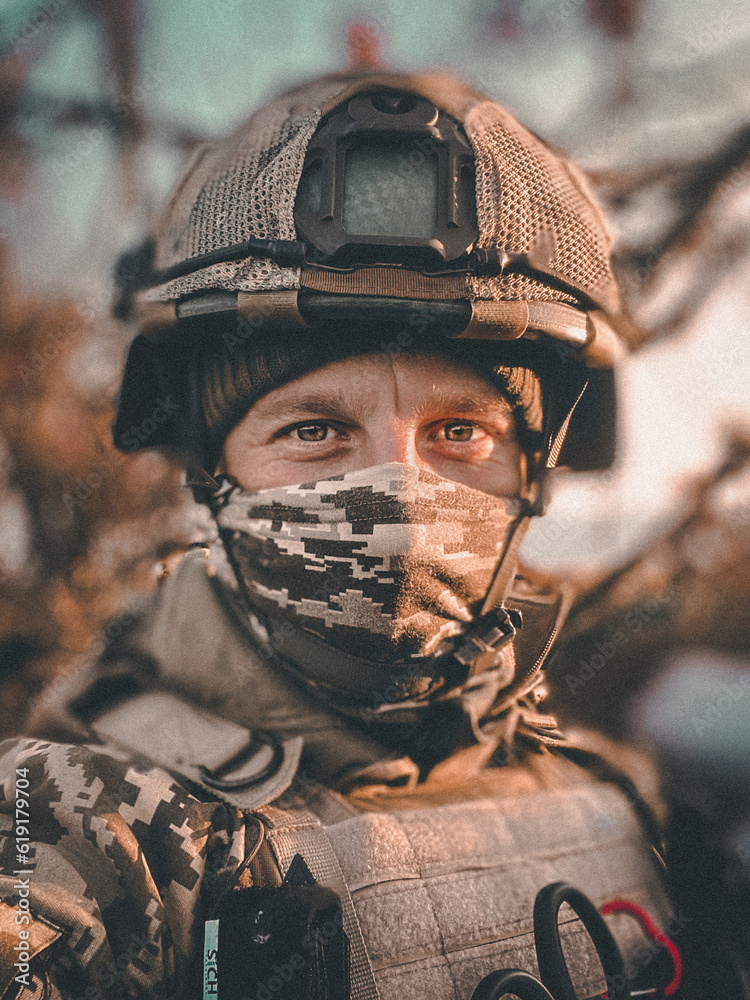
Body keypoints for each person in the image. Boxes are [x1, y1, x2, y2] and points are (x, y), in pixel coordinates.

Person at [0, 69, 682, 1000]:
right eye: (313, 430)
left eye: (461, 432)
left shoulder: (624, 796)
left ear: (533, 471)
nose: (400, 494)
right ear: (212, 475)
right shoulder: (85, 817)